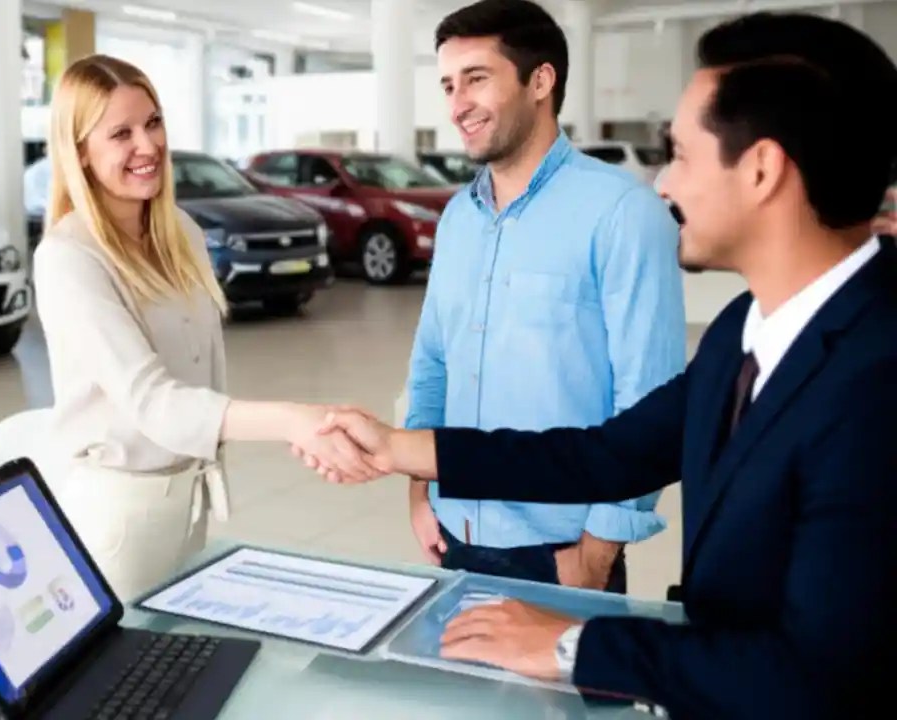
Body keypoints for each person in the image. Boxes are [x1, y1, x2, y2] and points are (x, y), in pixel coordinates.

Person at [304, 12, 897, 717]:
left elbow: (816, 673)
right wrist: (400, 450)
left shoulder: (878, 379)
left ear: (762, 169)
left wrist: (573, 645)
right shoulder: (744, 328)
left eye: (678, 154)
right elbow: (604, 454)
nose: (665, 185)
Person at [30, 55, 374, 600]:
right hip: (117, 520)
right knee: (123, 679)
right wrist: (292, 420)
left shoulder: (180, 232)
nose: (148, 146)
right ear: (80, 154)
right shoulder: (69, 258)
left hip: (188, 505)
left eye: (153, 122)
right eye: (121, 133)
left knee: (177, 670)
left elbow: (199, 372)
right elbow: (154, 401)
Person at [404, 0, 685, 592]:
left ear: (540, 81)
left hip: (559, 549)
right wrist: (420, 489)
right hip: (454, 528)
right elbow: (433, 360)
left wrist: (596, 553)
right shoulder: (458, 217)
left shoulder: (621, 212)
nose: (457, 105)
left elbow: (650, 402)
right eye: (449, 85)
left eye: (477, 79)